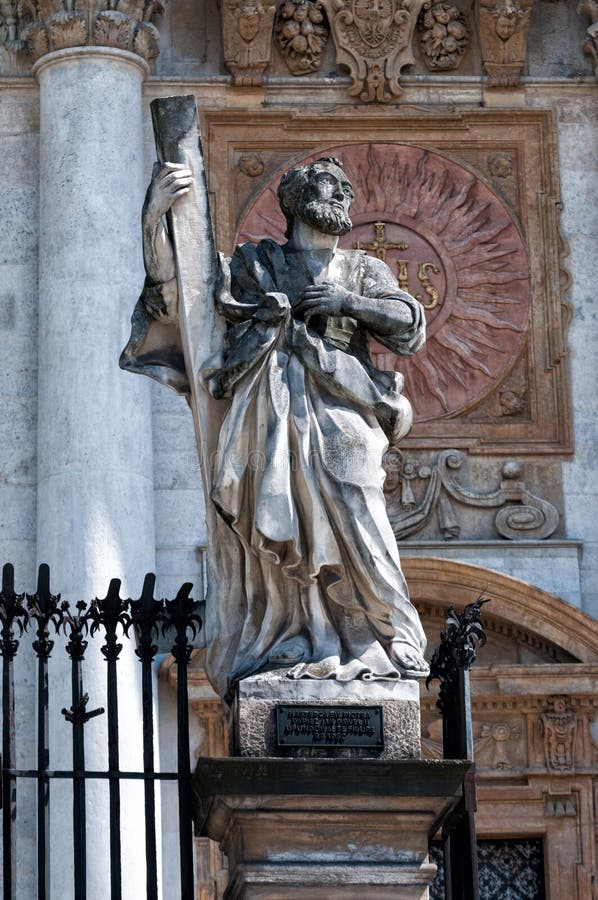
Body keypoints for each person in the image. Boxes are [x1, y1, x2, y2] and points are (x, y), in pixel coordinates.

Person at [121, 155, 430, 699]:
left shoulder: (361, 268)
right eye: (329, 185)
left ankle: (388, 630)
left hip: (343, 403)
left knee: (359, 504)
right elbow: (182, 296)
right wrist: (155, 220)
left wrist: (347, 302)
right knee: (275, 509)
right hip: (267, 409)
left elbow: (409, 326)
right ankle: (293, 637)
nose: (341, 197)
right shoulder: (255, 263)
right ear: (295, 200)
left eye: (345, 190)